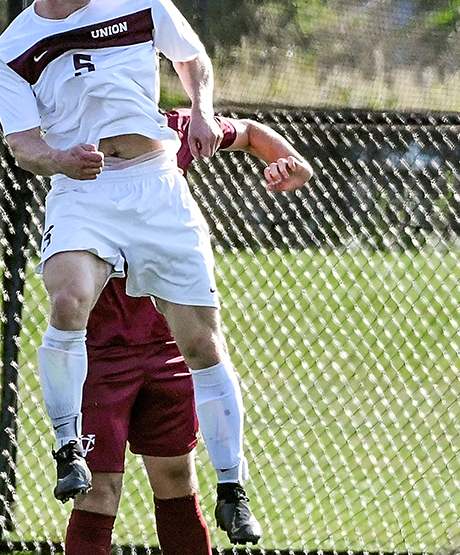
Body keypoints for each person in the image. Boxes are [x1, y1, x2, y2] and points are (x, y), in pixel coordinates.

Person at [0, 0, 260, 542]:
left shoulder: (139, 1)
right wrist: (60, 159)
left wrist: (201, 110)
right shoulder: (13, 50)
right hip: (85, 190)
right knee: (69, 298)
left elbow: (195, 61)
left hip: (156, 185)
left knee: (202, 344)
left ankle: (231, 484)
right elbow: (23, 145)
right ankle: (66, 449)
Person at [65, 108, 313, 555]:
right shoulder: (73, 128)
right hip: (100, 352)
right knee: (99, 489)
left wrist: (291, 164)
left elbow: (250, 133)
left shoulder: (170, 127)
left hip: (169, 345)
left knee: (176, 477)